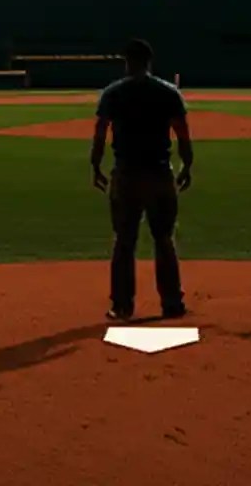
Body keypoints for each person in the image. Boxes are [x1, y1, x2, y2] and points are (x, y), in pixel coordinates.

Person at [91, 39, 194, 322]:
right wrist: (187, 166)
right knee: (164, 239)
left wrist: (95, 166)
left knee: (124, 241)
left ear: (128, 62)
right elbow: (182, 133)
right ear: (149, 61)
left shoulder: (114, 93)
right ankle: (172, 303)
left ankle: (122, 305)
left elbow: (100, 133)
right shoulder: (167, 92)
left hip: (125, 175)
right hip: (159, 173)